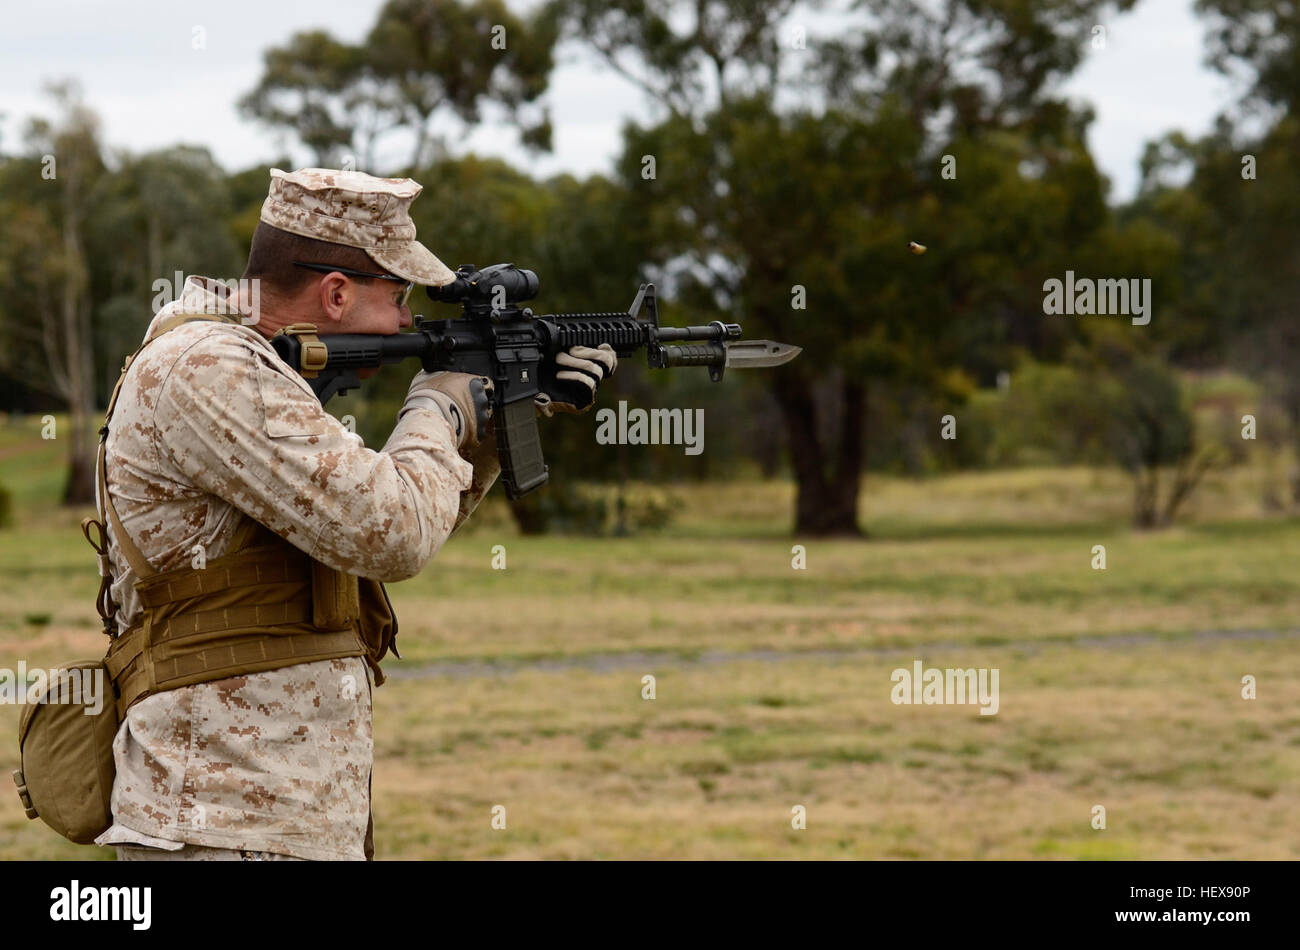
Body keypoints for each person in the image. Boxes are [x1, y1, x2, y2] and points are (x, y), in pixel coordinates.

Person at [90, 167, 616, 861]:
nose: (405, 321)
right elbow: (391, 533)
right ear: (336, 293)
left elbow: (393, 523)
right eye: (396, 297)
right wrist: (437, 408)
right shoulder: (209, 368)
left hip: (273, 815)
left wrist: (491, 422)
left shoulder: (255, 370)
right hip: (224, 818)